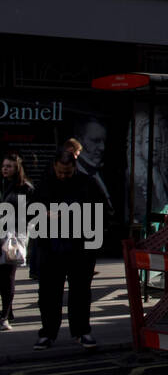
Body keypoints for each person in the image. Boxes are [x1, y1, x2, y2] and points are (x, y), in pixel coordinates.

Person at [31, 140, 109, 351]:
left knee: (80, 292)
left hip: (80, 247)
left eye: (67, 172)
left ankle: (82, 332)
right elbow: (30, 213)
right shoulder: (45, 184)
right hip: (51, 247)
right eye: (60, 172)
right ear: (54, 167)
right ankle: (47, 333)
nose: (63, 176)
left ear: (74, 166)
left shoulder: (88, 183)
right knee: (49, 294)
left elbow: (103, 211)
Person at [1, 152, 34, 331]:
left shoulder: (25, 188)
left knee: (7, 276)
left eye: (9, 166)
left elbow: (28, 215)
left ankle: (4, 316)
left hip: (12, 236)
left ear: (17, 168)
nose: (5, 169)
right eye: (4, 166)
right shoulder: (2, 185)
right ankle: (8, 311)